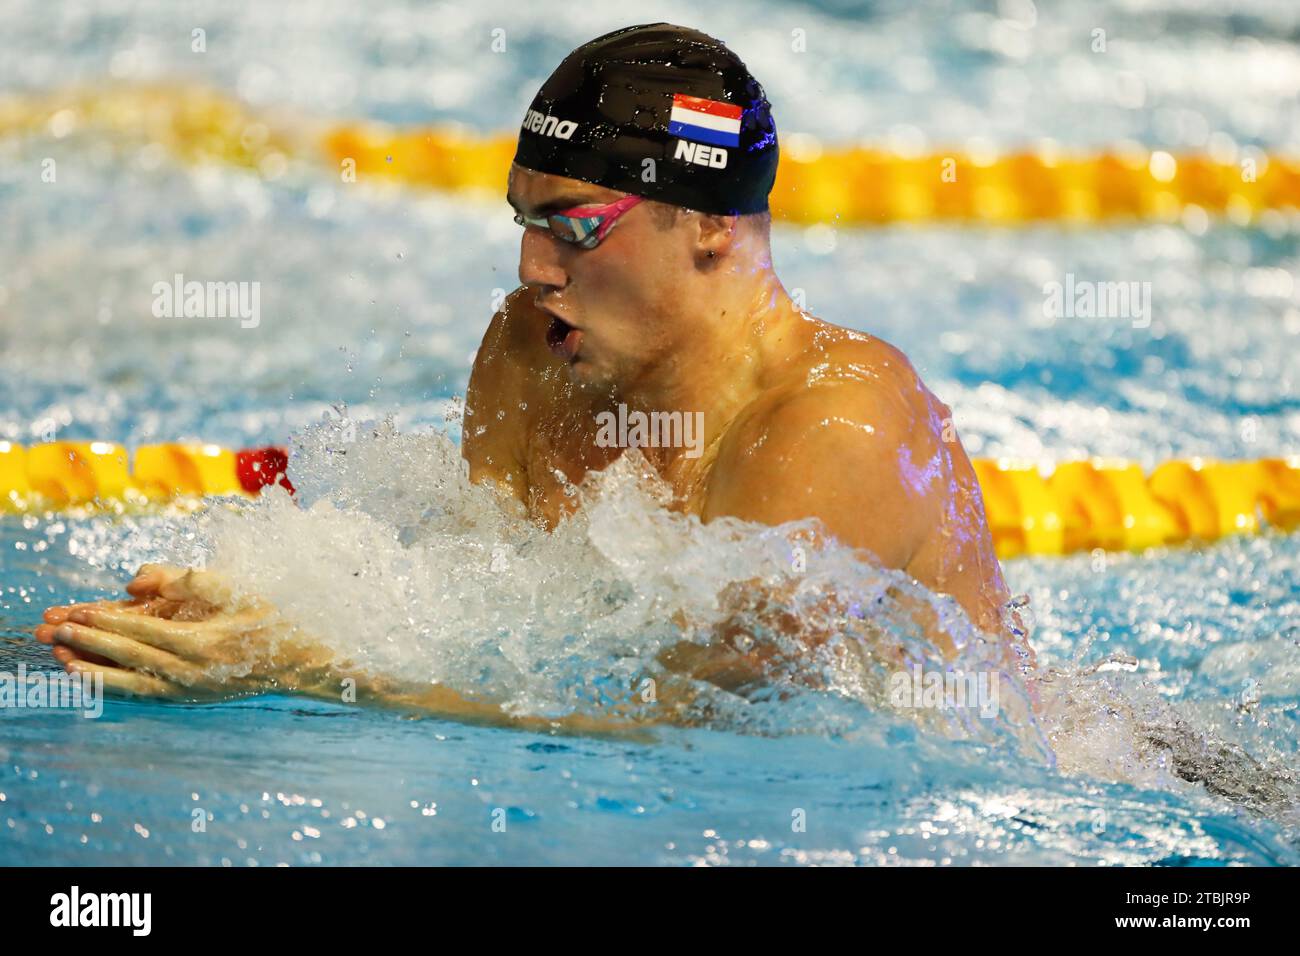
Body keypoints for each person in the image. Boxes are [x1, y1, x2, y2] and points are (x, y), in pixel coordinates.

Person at [35, 23, 1031, 730]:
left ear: (711, 226)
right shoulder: (532, 351)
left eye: (573, 226)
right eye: (525, 221)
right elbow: (483, 610)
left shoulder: (832, 427)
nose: (533, 269)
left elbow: (712, 725)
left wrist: (314, 665)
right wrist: (261, 610)